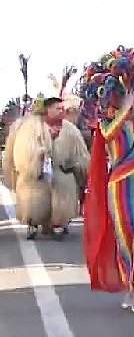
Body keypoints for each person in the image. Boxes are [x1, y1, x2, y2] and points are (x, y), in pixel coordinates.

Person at [80, 47, 134, 313]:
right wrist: (125, 110)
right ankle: (129, 288)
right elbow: (108, 136)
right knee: (124, 238)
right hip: (119, 186)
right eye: (124, 94)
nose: (131, 98)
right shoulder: (106, 125)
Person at [1, 96, 89, 240]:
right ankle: (34, 222)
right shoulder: (30, 128)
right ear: (48, 109)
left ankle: (57, 222)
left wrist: (76, 166)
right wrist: (40, 154)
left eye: (62, 108)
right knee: (35, 192)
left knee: (63, 187)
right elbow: (23, 154)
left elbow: (80, 153)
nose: (61, 111)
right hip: (37, 174)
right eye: (58, 108)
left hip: (60, 172)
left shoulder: (70, 129)